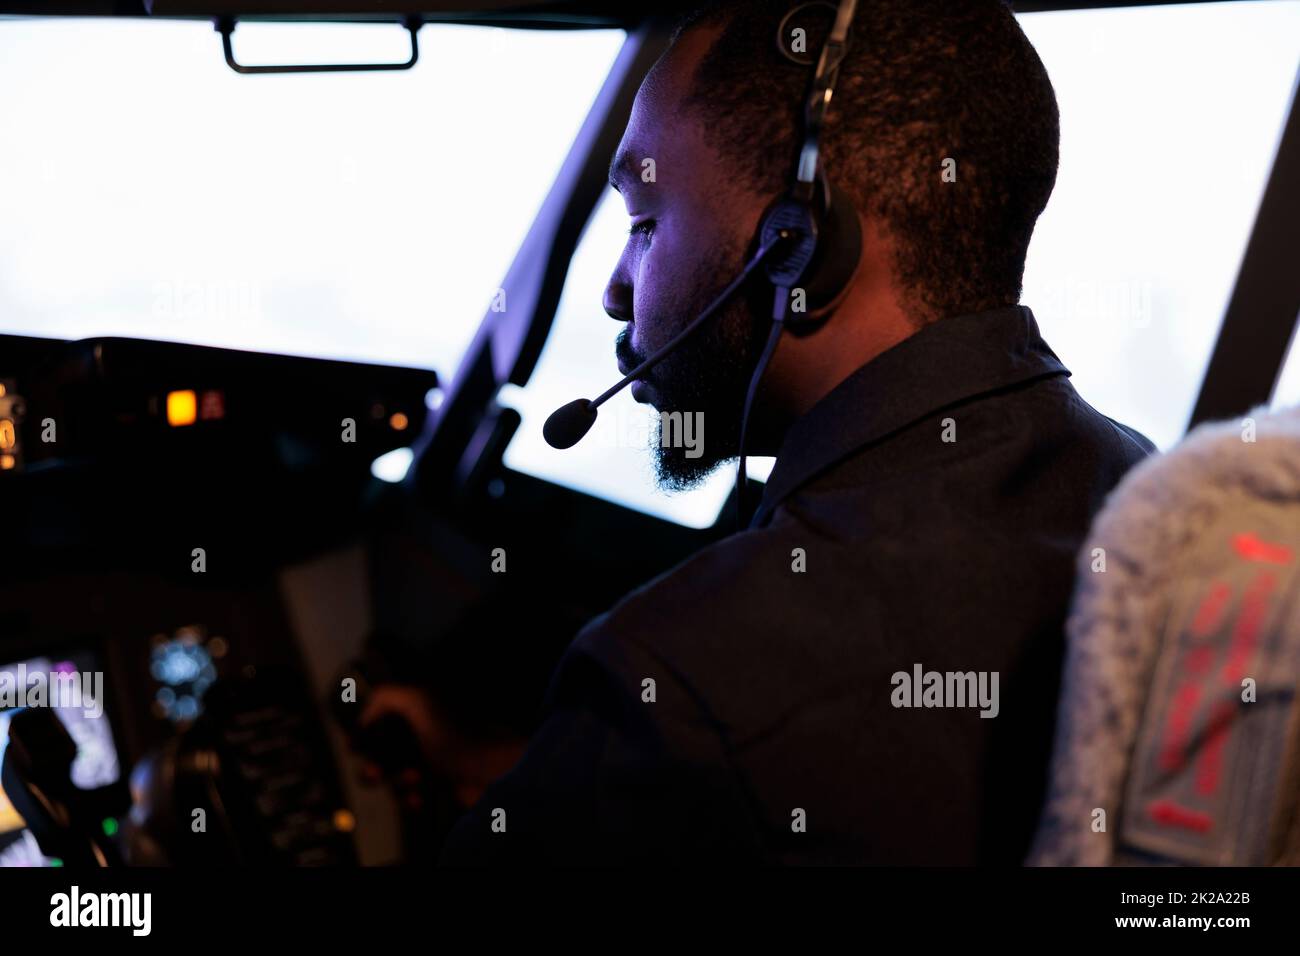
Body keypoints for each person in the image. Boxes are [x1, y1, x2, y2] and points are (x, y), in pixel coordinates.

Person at [375, 0, 1156, 864]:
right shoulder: (1150, 496)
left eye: (645, 222)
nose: (615, 289)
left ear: (797, 245)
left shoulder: (682, 685)